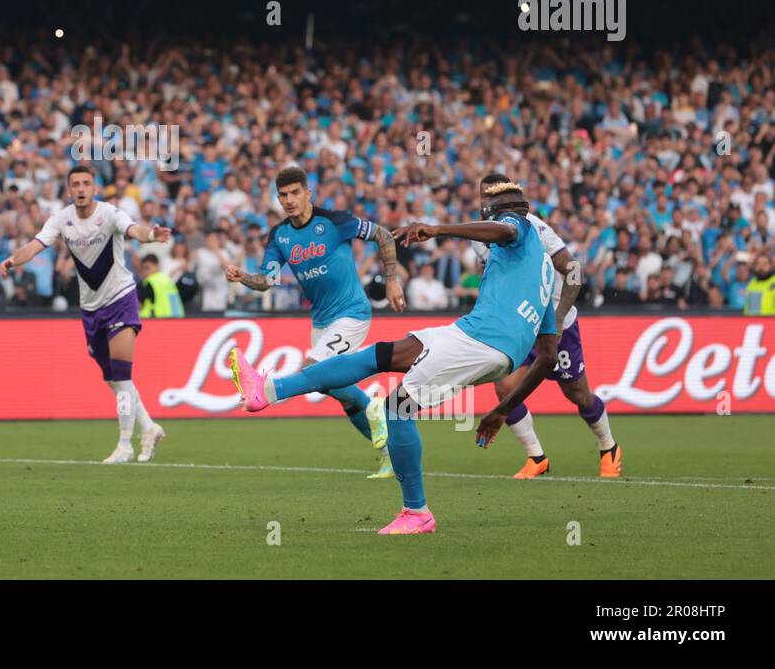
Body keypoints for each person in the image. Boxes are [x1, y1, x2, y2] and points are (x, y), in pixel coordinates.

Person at [228, 178, 559, 535]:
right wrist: (502, 409)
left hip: (478, 340)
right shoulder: (542, 268)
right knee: (384, 354)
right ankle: (269, 389)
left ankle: (417, 513)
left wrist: (437, 229)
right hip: (477, 338)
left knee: (395, 409)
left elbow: (502, 232)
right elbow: (548, 355)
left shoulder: (516, 228)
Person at [225, 165, 407, 479]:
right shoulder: (280, 236)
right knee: (342, 393)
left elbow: (383, 235)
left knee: (313, 369)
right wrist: (244, 278)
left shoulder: (335, 221)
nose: (289, 199)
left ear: (308, 193)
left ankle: (265, 390)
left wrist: (392, 281)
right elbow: (267, 280)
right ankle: (389, 452)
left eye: (295, 192)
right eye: (283, 195)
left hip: (352, 313)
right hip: (321, 322)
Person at [0, 163, 171, 464]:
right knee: (115, 380)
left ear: (95, 188)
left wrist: (151, 235)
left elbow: (134, 230)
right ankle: (149, 427)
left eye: (86, 183)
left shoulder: (111, 214)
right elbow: (36, 246)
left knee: (122, 374)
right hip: (91, 309)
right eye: (75, 184)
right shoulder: (61, 220)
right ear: (68, 190)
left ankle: (125, 445)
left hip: (121, 299)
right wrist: (12, 260)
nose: (80, 189)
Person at [474, 173, 621, 479]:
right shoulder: (481, 237)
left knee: (578, 395)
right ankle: (536, 457)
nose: (488, 202)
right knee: (504, 386)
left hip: (556, 323)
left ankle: (608, 447)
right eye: (484, 195)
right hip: (521, 324)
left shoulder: (536, 228)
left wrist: (557, 316)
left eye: (493, 195)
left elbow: (574, 270)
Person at [137, 252, 183, 317]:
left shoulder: (149, 282)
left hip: (155, 321)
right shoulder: (167, 280)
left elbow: (138, 305)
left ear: (157, 265)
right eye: (143, 269)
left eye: (148, 268)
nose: (145, 272)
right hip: (176, 320)